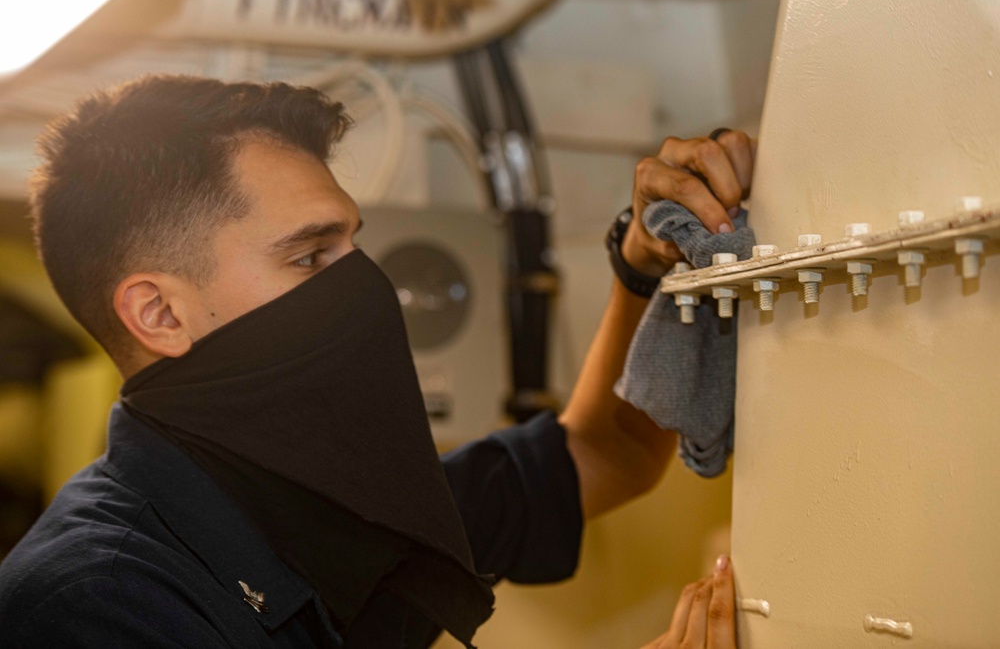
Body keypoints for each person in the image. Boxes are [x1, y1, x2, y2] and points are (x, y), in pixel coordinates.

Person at [0, 75, 752, 648]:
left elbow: (605, 450)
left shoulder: (346, 493)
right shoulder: (88, 603)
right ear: (159, 314)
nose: (367, 289)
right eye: (310, 255)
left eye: (353, 246)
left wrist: (646, 264)